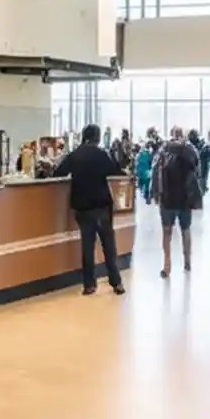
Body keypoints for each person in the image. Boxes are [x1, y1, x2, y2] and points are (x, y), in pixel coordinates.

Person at [53, 124, 125, 295]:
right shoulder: (102, 155)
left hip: (82, 206)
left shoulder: (75, 155)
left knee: (87, 246)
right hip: (101, 205)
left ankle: (89, 285)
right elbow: (115, 171)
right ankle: (116, 283)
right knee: (108, 245)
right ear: (97, 137)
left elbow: (58, 173)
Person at [152, 126, 202, 278]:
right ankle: (187, 261)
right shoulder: (190, 149)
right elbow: (197, 170)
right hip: (185, 198)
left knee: (167, 232)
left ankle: (167, 265)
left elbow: (156, 170)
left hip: (167, 198)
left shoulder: (164, 149)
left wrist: (155, 193)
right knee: (185, 230)